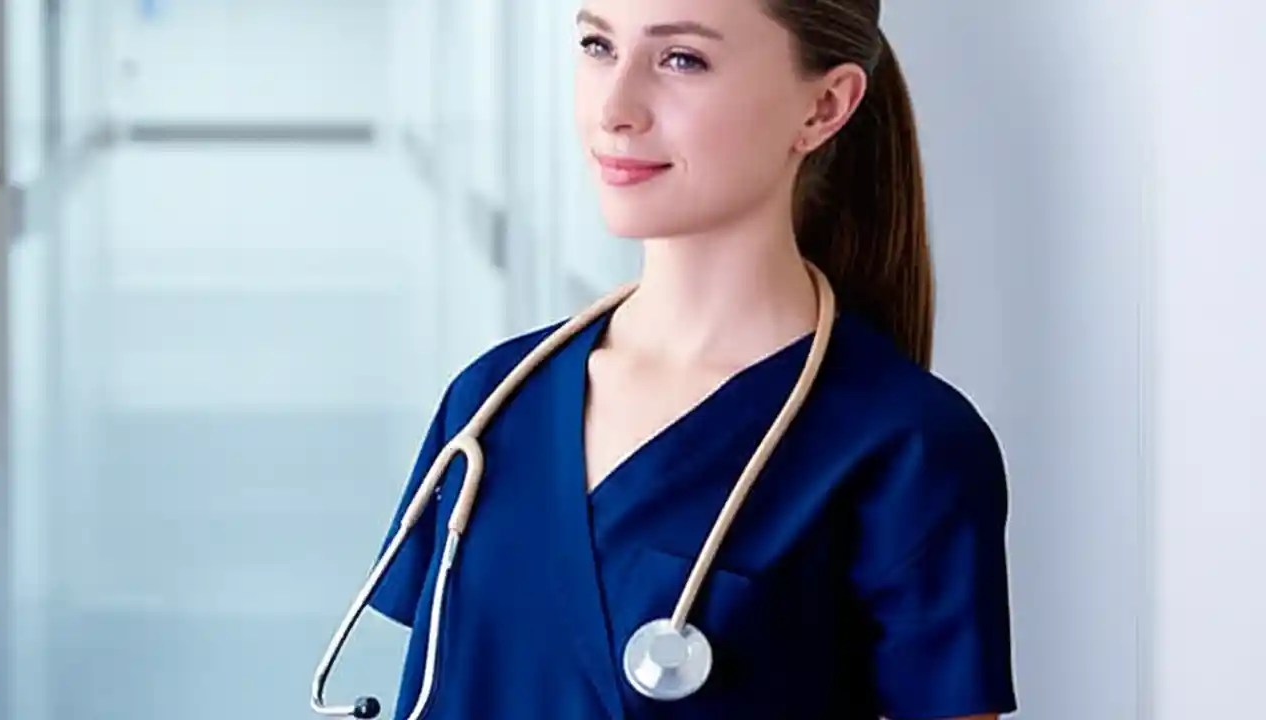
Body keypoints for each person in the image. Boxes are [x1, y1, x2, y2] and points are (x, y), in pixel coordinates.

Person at [366, 1, 1018, 718]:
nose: (615, 108)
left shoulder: (904, 446)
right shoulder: (493, 399)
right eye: (596, 45)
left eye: (682, 59)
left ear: (824, 107)